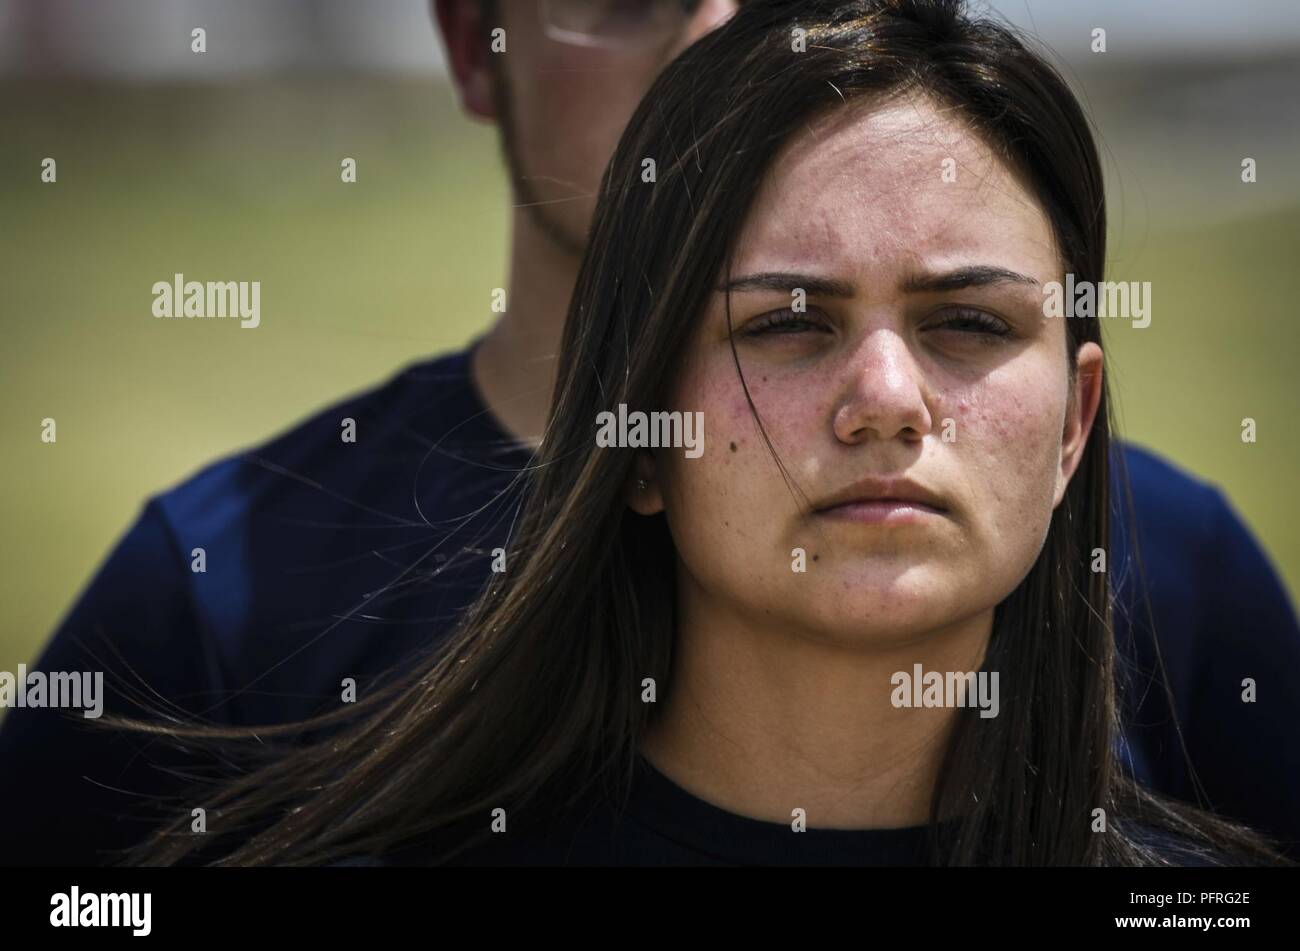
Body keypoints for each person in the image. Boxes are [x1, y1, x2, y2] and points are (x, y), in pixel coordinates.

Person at [0, 0, 1296, 865]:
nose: (727, 34)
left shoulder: (1172, 564)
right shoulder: (222, 583)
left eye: (967, 320)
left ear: (1071, 424)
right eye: (787, 321)